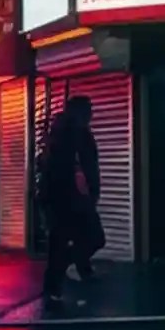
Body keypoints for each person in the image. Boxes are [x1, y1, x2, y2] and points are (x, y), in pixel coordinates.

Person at [38, 95, 102, 306]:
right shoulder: (74, 135)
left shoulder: (60, 134)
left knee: (61, 242)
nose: (92, 112)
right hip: (72, 198)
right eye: (89, 108)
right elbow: (80, 165)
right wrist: (86, 189)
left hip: (61, 199)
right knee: (92, 237)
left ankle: (59, 282)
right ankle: (68, 270)